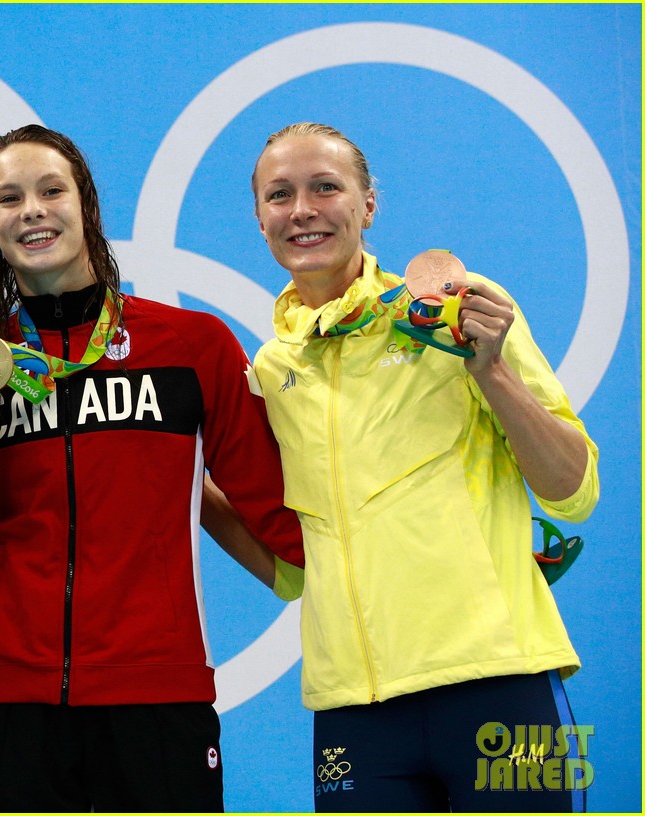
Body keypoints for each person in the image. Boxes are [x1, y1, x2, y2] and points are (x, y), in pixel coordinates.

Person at [0, 124, 305, 811]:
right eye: (8, 199)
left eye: (52, 190)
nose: (33, 210)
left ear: (87, 207)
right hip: (13, 707)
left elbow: (285, 516)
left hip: (157, 698)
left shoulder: (193, 345)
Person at [240, 121, 599, 812]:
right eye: (280, 195)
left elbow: (574, 489)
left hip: (500, 685)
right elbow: (291, 568)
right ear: (260, 221)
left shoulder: (459, 310)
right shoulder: (272, 368)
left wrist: (492, 373)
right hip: (354, 710)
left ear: (368, 204)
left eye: (325, 187)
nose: (303, 210)